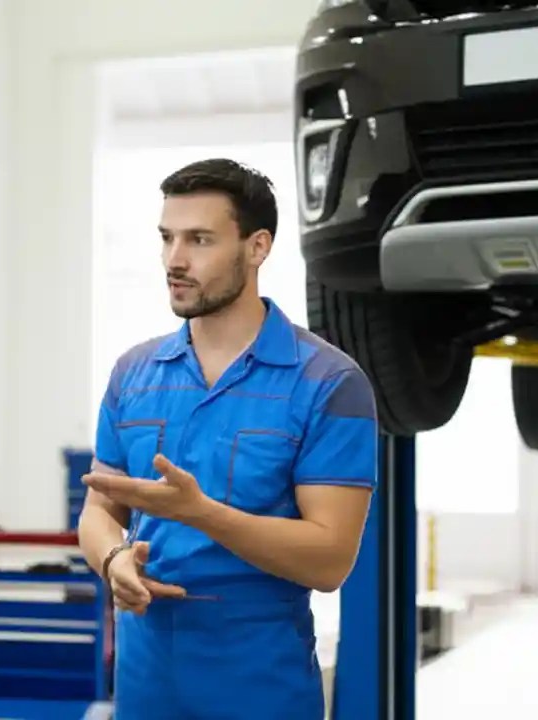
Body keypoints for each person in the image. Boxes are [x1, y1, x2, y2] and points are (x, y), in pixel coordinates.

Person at [79, 158, 378, 719]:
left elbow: (329, 561)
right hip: (145, 690)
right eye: (167, 238)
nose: (175, 259)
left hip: (259, 689)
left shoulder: (328, 383)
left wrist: (201, 513)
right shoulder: (133, 374)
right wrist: (113, 558)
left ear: (257, 246)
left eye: (200, 240)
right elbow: (99, 511)